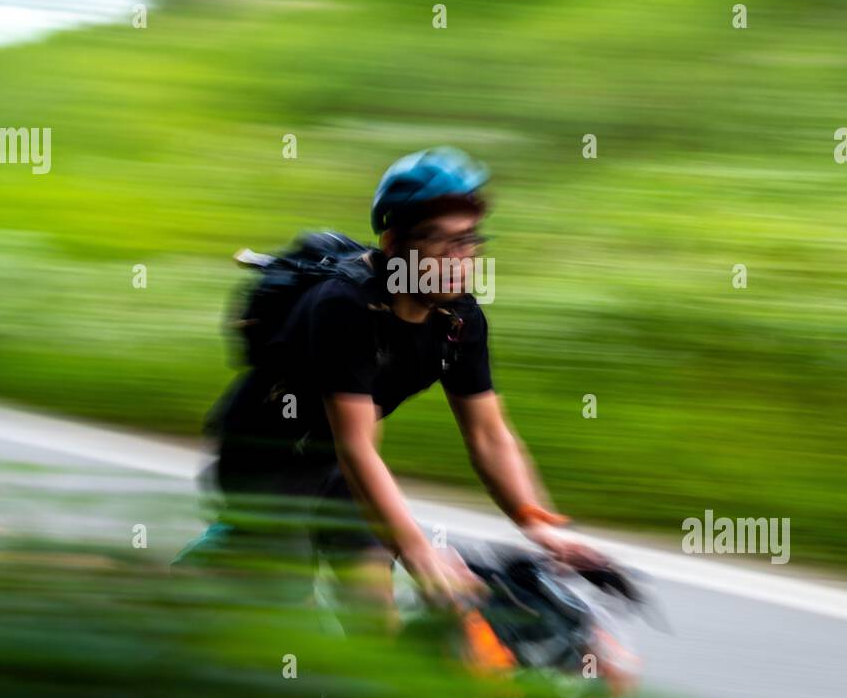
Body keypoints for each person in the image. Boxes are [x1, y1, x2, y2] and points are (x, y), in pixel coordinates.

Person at [183, 147, 606, 632]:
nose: (456, 259)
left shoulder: (458, 319)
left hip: (333, 465)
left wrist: (537, 522)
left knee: (374, 625)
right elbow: (358, 445)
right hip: (262, 458)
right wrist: (418, 550)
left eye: (467, 241)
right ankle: (206, 577)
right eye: (436, 241)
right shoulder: (344, 306)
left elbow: (490, 435)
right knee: (291, 628)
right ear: (392, 244)